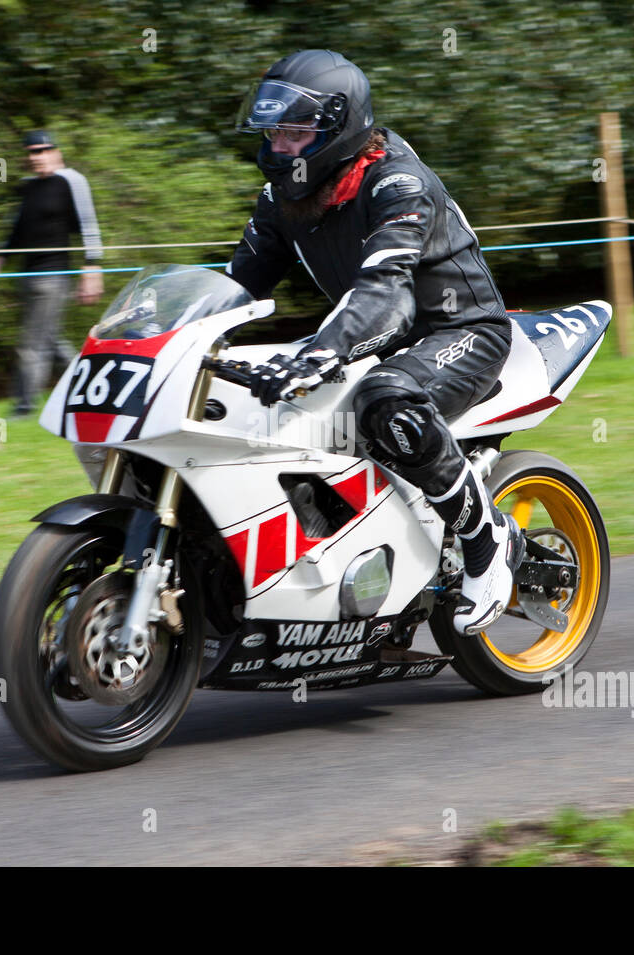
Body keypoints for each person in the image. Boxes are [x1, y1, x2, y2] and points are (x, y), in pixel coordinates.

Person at [228, 49, 525, 636]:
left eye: (294, 132)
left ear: (339, 129)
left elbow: (386, 291)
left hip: (459, 331)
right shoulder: (280, 201)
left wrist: (318, 353)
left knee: (385, 399)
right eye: (273, 132)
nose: (279, 146)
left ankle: (483, 539)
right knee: (255, 404)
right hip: (378, 334)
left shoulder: (399, 184)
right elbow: (237, 288)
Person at [0, 130, 105, 417]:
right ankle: (94, 386)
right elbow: (15, 231)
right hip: (25, 276)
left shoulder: (71, 180)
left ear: (56, 152)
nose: (38, 157)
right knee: (49, 339)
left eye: (44, 150)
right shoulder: (27, 186)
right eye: (32, 152)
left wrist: (92, 269)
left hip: (53, 275)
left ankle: (23, 407)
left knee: (32, 344)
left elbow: (89, 225)